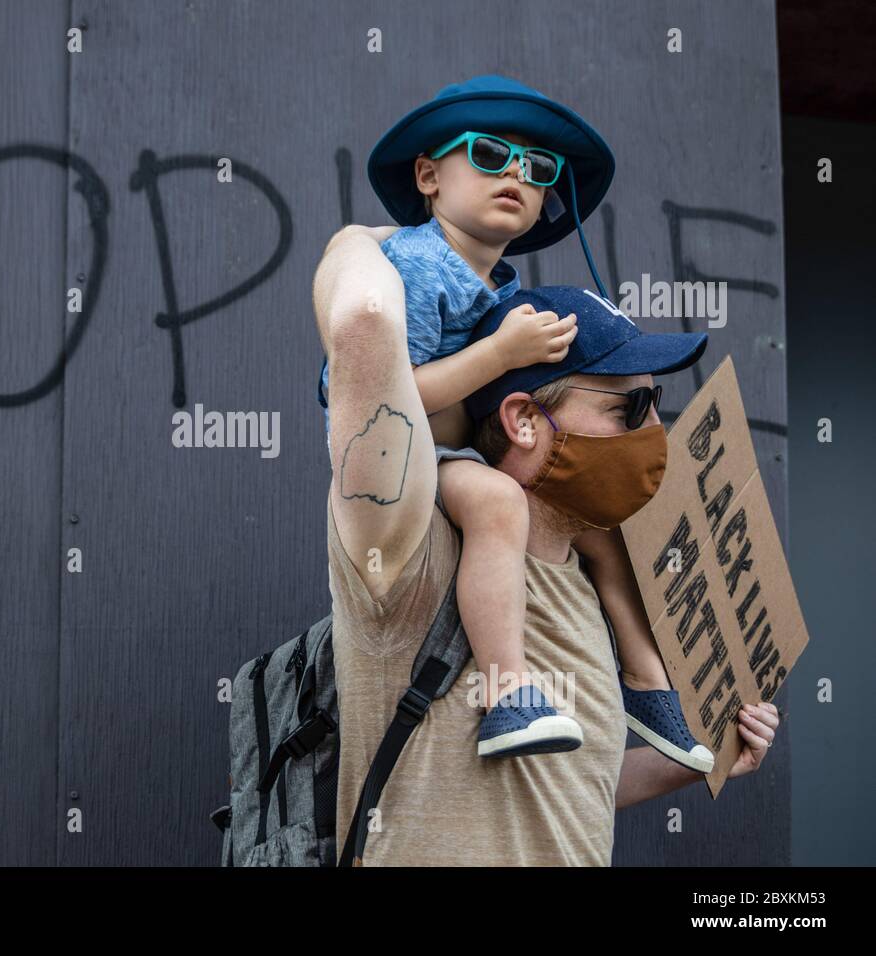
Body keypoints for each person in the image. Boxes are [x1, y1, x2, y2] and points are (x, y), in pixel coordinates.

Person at [313, 271, 778, 865]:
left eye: (656, 402)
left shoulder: (597, 586)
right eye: (629, 407)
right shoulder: (412, 551)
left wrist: (699, 760)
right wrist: (353, 243)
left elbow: (564, 789)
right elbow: (361, 330)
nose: (655, 431)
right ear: (524, 420)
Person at [317, 75, 711, 771]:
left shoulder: (500, 287)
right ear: (429, 175)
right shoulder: (412, 265)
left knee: (605, 538)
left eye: (538, 169)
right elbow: (382, 392)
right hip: (413, 460)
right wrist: (498, 353)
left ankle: (650, 687)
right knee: (499, 500)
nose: (518, 177)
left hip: (459, 447)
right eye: (492, 155)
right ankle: (507, 693)